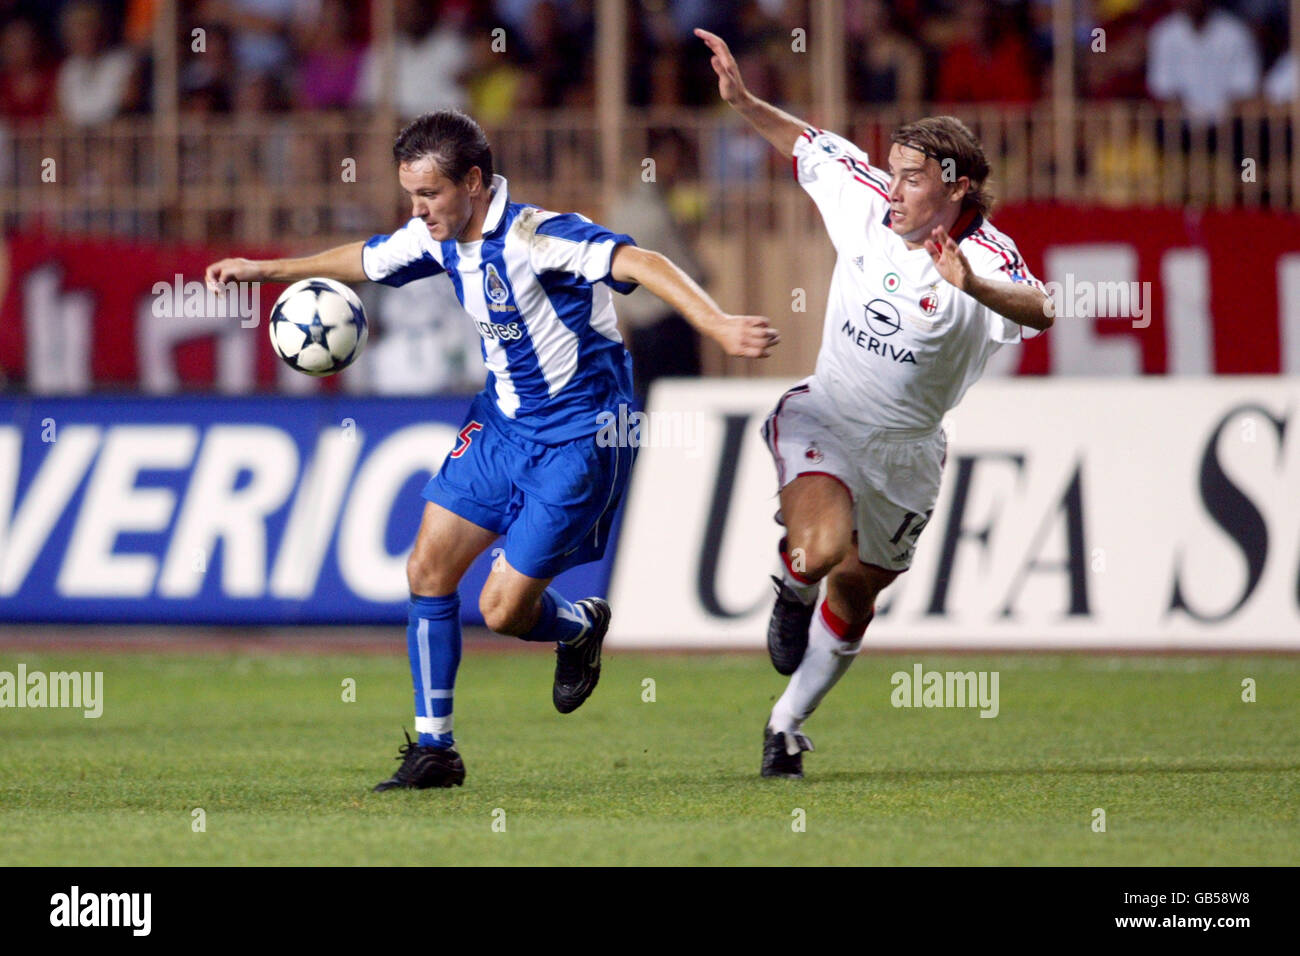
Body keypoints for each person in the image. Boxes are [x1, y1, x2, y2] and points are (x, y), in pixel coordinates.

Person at [205, 109, 778, 790]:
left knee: (502, 612)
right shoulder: (436, 236)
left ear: (473, 182)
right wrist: (264, 270)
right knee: (426, 568)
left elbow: (643, 261)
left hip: (578, 438)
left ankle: (575, 628)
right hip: (500, 426)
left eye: (429, 195)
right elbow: (364, 258)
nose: (417, 210)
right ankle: (434, 751)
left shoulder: (539, 236)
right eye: (410, 195)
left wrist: (715, 323)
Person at [695, 29, 1053, 780]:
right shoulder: (864, 202)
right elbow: (804, 145)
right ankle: (791, 588)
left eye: (912, 178)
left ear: (955, 187)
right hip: (827, 410)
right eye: (892, 172)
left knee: (857, 592)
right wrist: (744, 100)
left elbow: (1041, 308)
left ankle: (785, 723)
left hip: (910, 451)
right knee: (820, 552)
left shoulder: (987, 258)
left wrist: (976, 288)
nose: (892, 188)